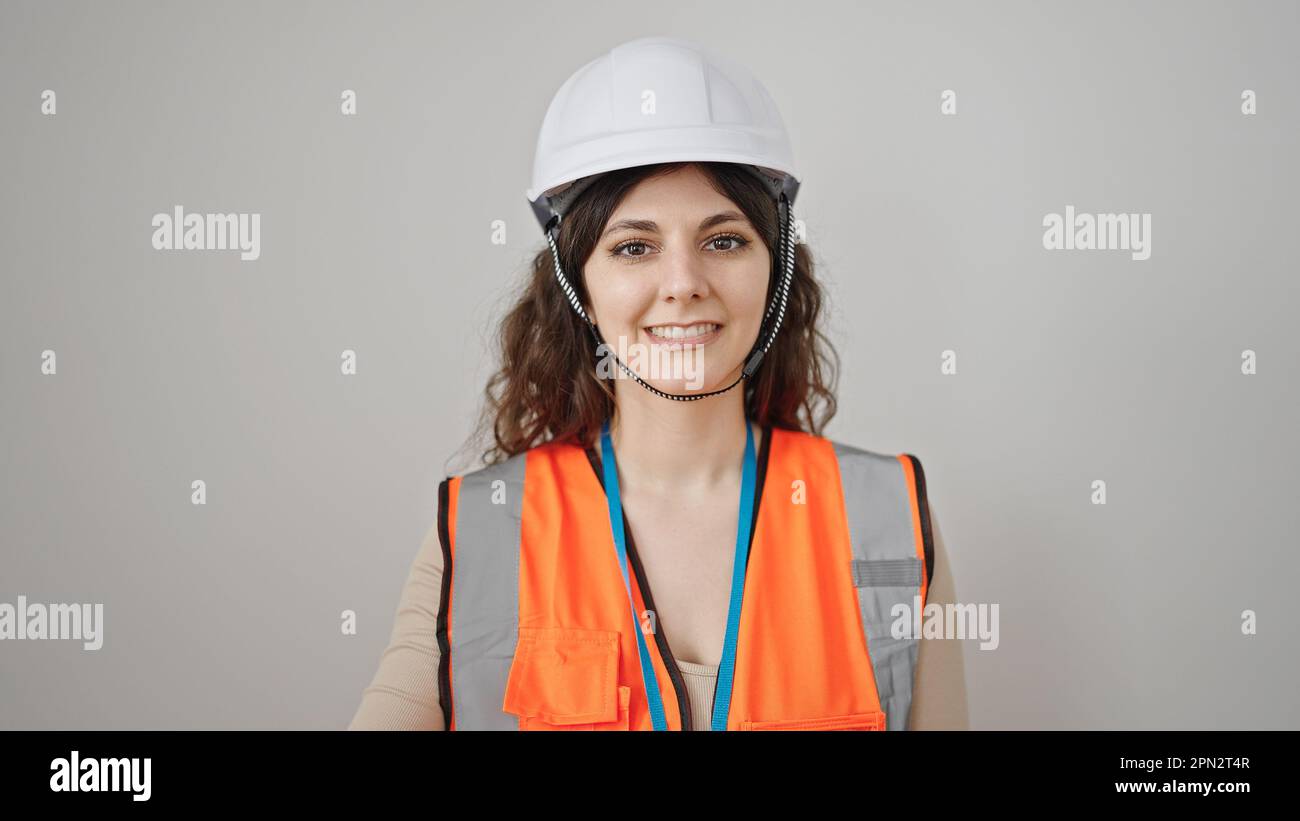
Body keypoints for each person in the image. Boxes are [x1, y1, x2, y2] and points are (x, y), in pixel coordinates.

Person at [349, 35, 969, 731]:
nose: (683, 284)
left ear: (776, 268)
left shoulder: (889, 520)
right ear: (576, 283)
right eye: (634, 247)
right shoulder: (480, 531)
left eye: (724, 239)